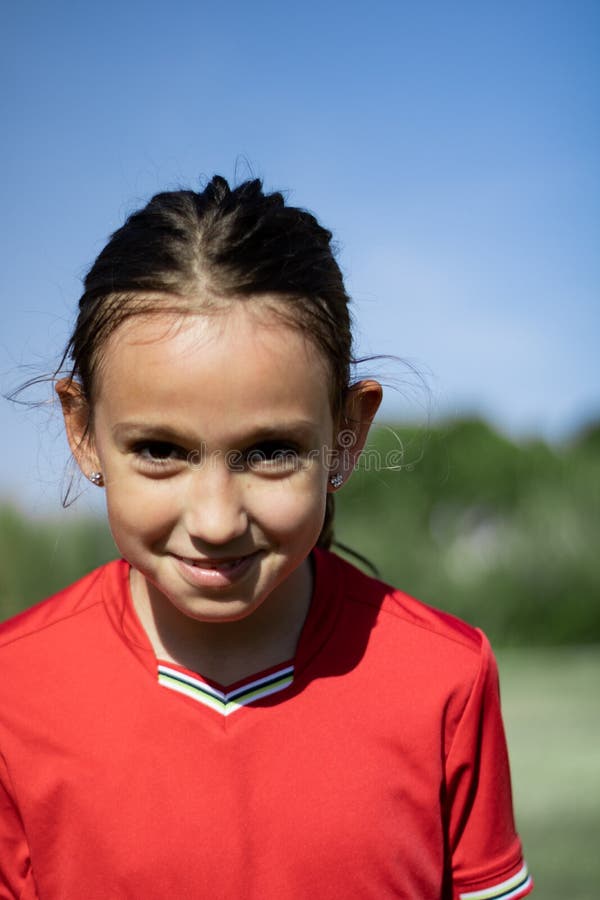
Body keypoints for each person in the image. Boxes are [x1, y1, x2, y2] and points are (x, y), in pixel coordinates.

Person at [0, 176, 533, 900]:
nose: (216, 520)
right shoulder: (15, 691)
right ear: (82, 431)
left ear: (347, 433)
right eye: (159, 450)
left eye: (270, 451)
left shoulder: (447, 679)